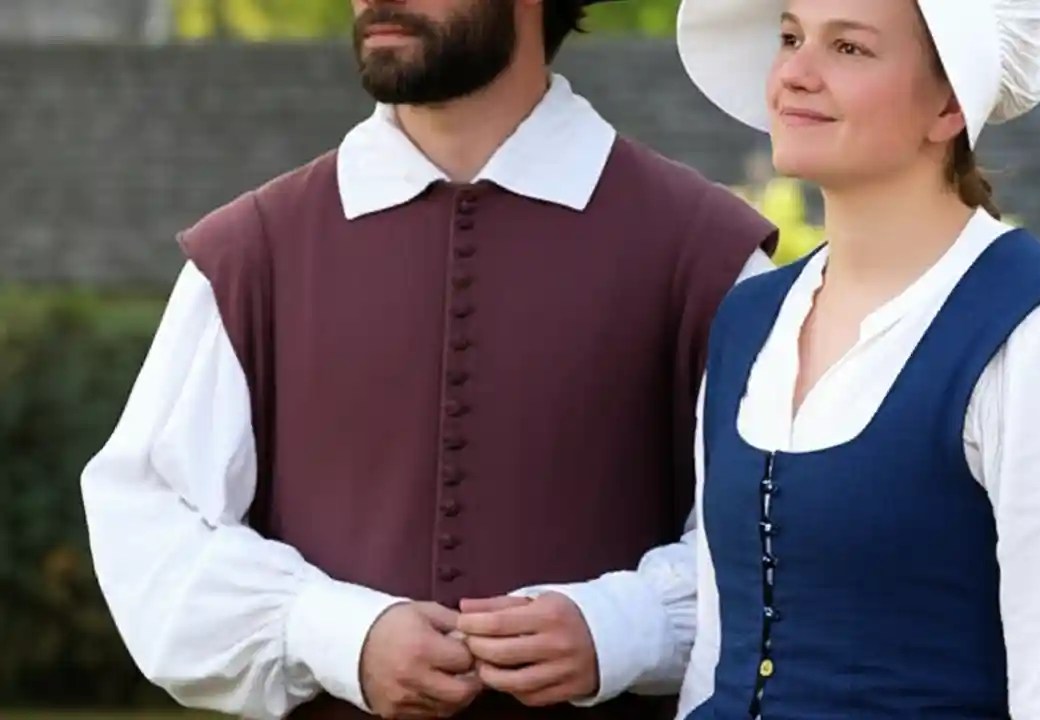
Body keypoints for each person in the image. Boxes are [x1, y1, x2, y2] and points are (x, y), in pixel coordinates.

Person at [79, 1, 776, 718]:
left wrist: (628, 625)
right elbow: (152, 532)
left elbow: (789, 544)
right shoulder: (249, 256)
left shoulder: (708, 258)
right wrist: (331, 631)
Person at [475, 0, 1040, 717]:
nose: (794, 74)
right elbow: (719, 651)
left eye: (849, 48)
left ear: (949, 107)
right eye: (790, 37)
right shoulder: (750, 319)